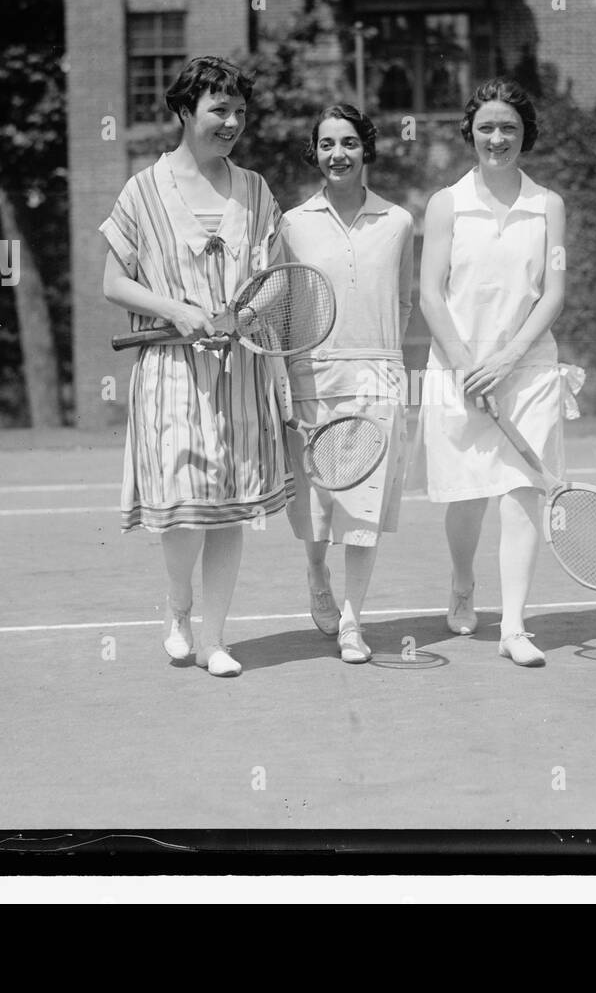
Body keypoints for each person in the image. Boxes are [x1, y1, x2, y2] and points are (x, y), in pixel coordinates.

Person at [99, 56, 290, 678]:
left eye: (239, 111)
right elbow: (113, 283)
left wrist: (241, 317)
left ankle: (214, 640)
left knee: (230, 507)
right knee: (183, 502)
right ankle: (177, 609)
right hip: (170, 373)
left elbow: (275, 283)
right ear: (184, 112)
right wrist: (177, 311)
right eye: (218, 110)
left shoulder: (257, 190)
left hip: (238, 372)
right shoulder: (142, 190)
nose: (232, 121)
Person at [416, 78, 567, 668]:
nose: (497, 138)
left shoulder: (548, 205)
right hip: (458, 367)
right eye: (487, 128)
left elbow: (553, 293)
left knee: (522, 491)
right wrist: (466, 367)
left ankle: (513, 626)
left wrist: (507, 360)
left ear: (525, 132)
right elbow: (430, 294)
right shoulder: (446, 203)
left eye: (508, 127)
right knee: (467, 497)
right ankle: (460, 581)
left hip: (528, 369)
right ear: (470, 134)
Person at [279, 105, 415, 663]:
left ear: (367, 149)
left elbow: (403, 301)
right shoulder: (290, 224)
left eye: (350, 143)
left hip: (377, 380)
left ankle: (354, 622)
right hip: (311, 377)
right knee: (316, 513)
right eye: (328, 144)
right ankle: (316, 574)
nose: (339, 154)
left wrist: (379, 361)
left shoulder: (401, 221)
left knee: (362, 512)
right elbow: (282, 302)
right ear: (315, 152)